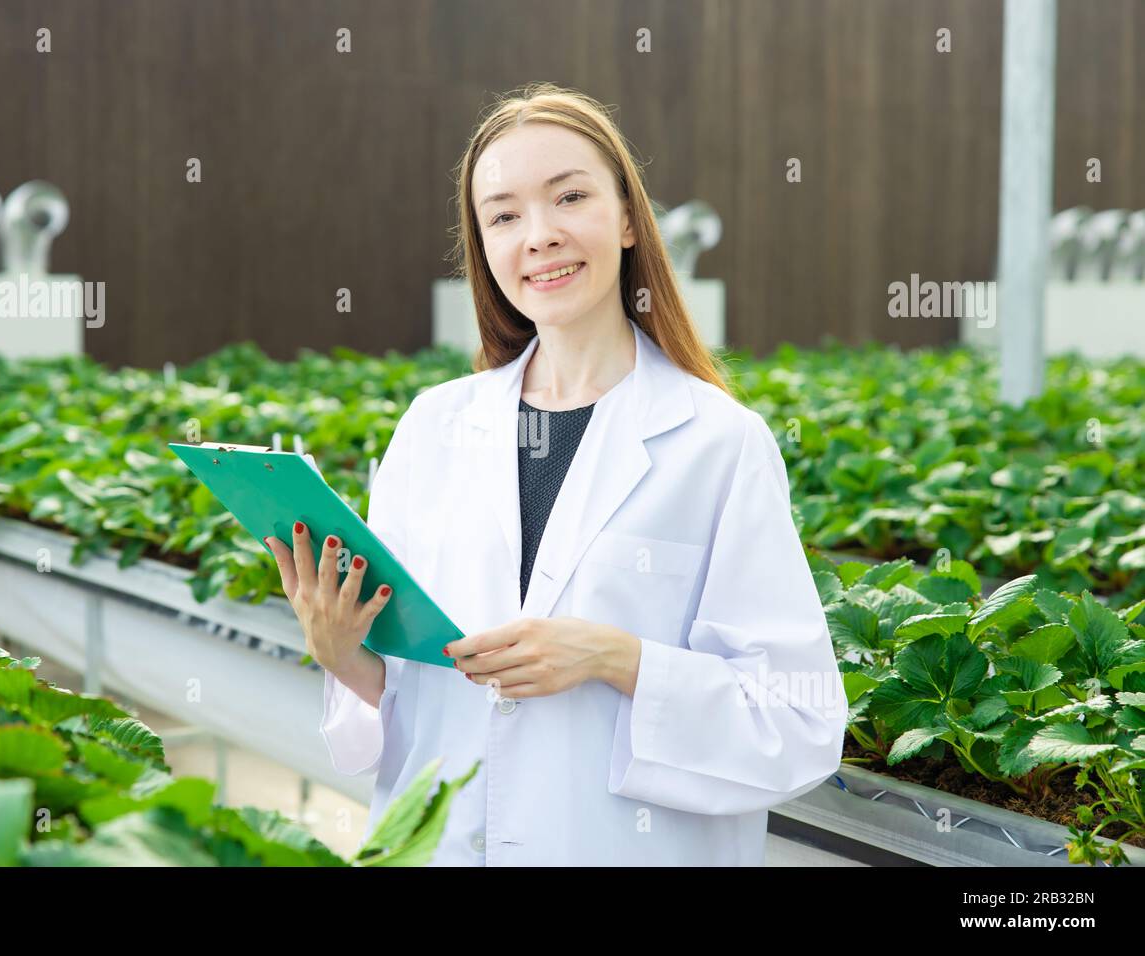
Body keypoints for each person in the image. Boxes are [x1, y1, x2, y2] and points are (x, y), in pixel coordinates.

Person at [265, 83, 846, 866]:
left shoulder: (719, 444)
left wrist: (615, 657)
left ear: (630, 219)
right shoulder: (433, 429)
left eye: (569, 197)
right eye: (504, 214)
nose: (538, 235)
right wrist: (345, 657)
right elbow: (416, 702)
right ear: (483, 245)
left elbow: (797, 723)